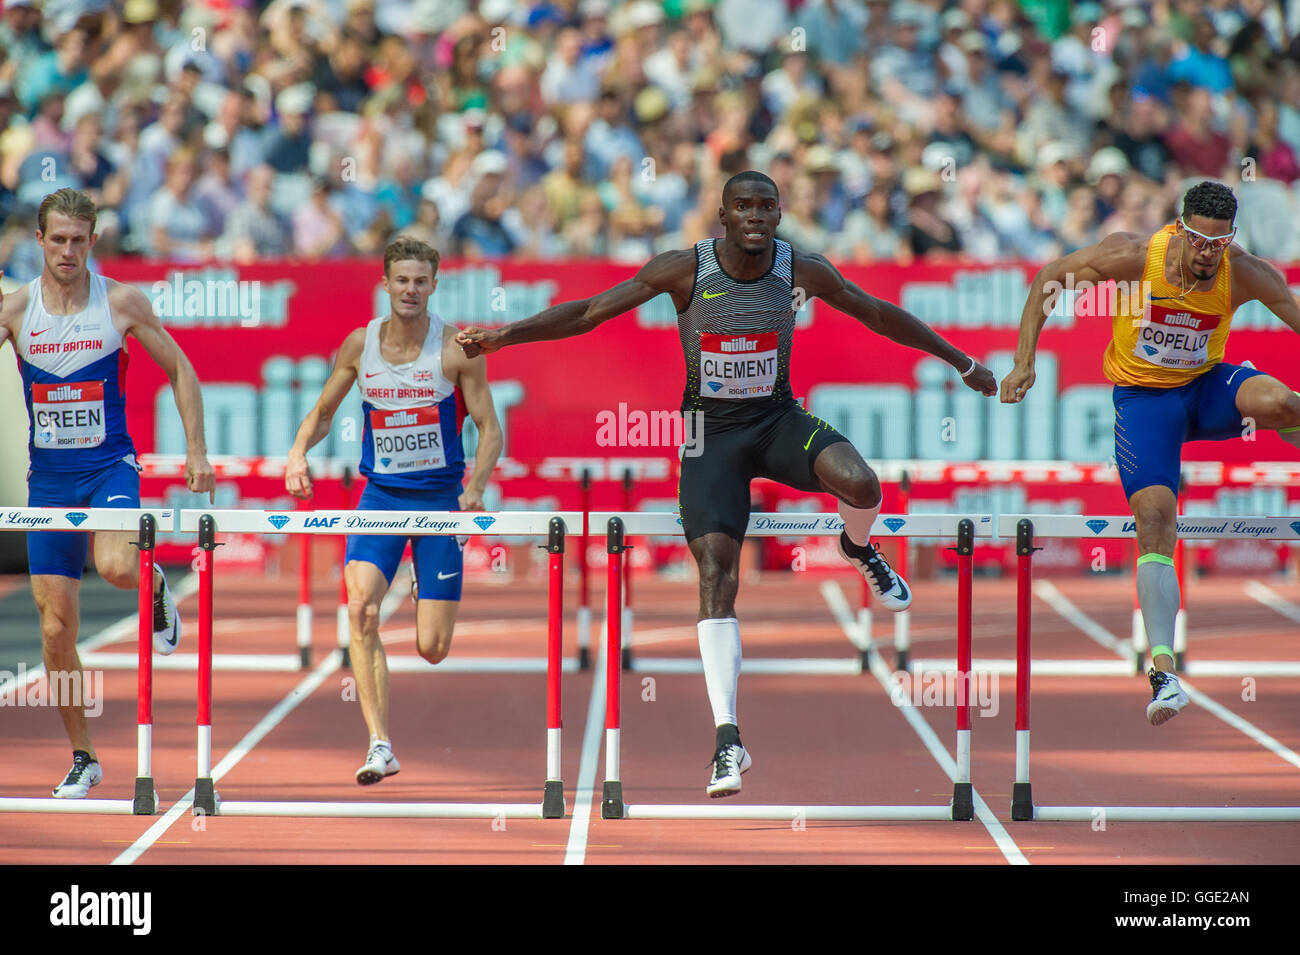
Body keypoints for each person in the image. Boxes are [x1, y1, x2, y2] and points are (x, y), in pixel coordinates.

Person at [458, 171, 996, 797]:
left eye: (767, 206)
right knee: (717, 570)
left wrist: (963, 361)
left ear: (778, 212)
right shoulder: (683, 270)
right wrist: (506, 336)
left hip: (776, 421)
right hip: (708, 436)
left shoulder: (802, 269)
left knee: (864, 485)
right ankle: (727, 740)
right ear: (722, 214)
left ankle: (857, 548)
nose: (756, 216)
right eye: (744, 206)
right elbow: (586, 314)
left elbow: (877, 313)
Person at [1000, 181, 1300, 726]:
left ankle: (1284, 426)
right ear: (1180, 229)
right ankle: (1164, 672)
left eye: (1219, 243)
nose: (1208, 254)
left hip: (1206, 389)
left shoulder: (1245, 271)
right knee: (1157, 521)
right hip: (1145, 404)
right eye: (1199, 241)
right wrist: (1025, 362)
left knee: (1285, 402)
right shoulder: (1135, 255)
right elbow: (1048, 280)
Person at [0, 188, 215, 798]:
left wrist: (196, 451)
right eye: (57, 239)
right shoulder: (16, 311)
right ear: (38, 241)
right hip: (49, 483)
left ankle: (152, 585)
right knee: (52, 628)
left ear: (93, 241)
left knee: (117, 563)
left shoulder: (120, 302)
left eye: (79, 239)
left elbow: (181, 369)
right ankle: (83, 756)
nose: (68, 251)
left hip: (108, 469)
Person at [285, 236, 503, 785]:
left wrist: (475, 486)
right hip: (380, 498)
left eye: (420, 281)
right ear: (385, 284)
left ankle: (421, 573)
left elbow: (490, 429)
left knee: (432, 647)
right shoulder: (360, 346)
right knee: (359, 609)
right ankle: (380, 743)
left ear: (434, 285)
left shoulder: (456, 349)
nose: (410, 290)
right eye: (401, 280)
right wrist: (296, 454)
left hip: (439, 504)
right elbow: (323, 411)